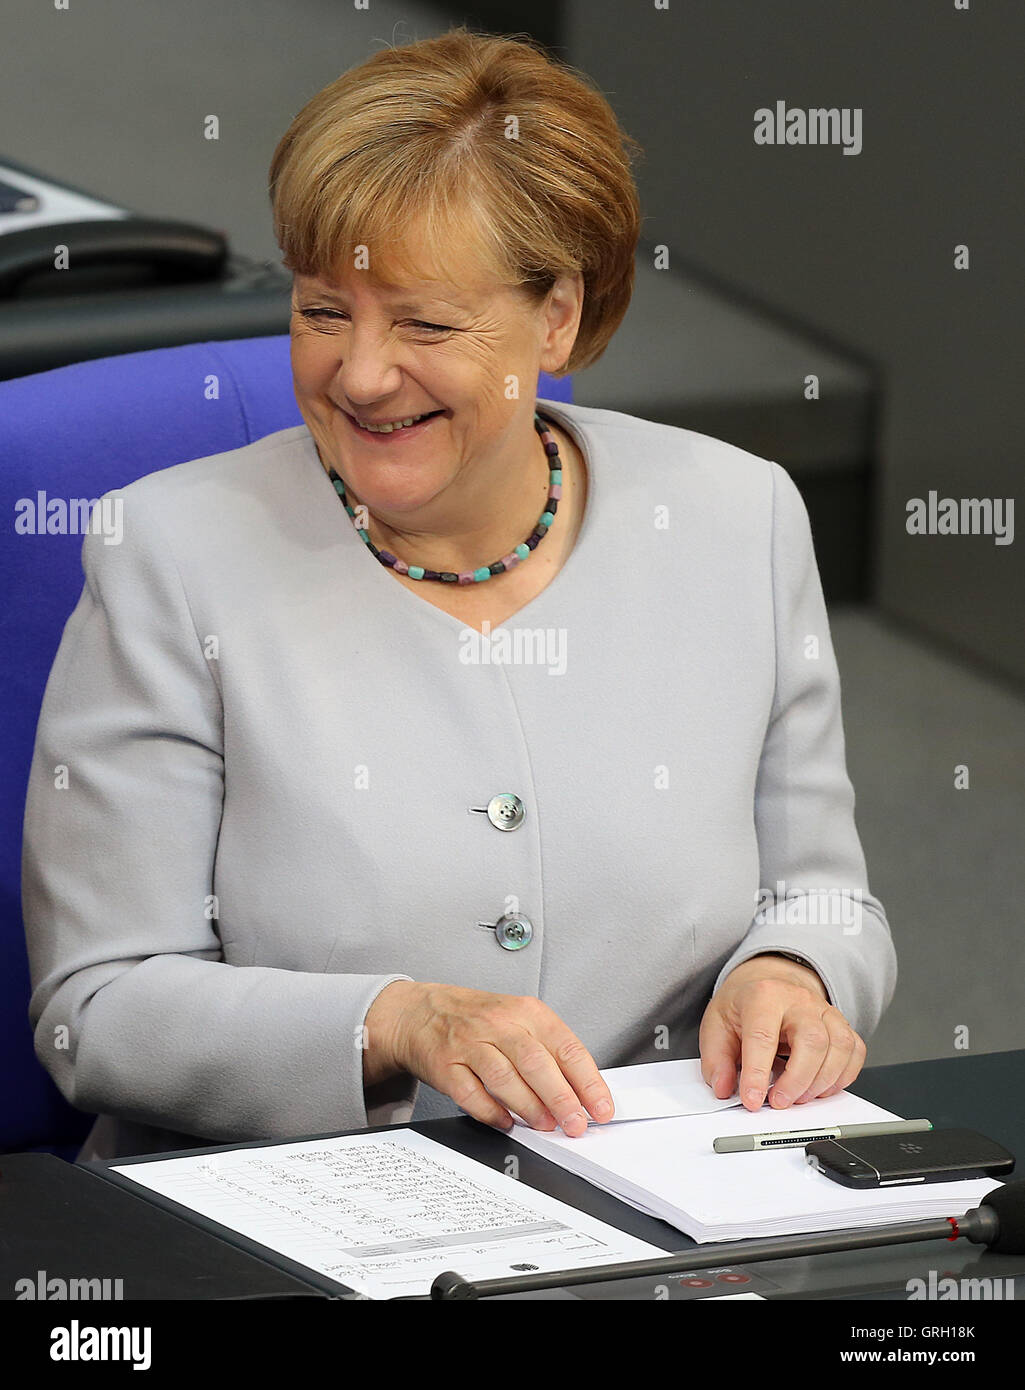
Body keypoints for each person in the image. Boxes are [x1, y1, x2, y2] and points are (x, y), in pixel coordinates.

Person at [22, 28, 896, 1162]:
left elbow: (825, 897)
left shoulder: (740, 517)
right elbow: (96, 1011)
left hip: (650, 1219)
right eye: (323, 309)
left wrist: (793, 971)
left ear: (558, 318)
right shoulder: (171, 554)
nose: (362, 373)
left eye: (425, 323)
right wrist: (391, 1022)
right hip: (277, 1221)